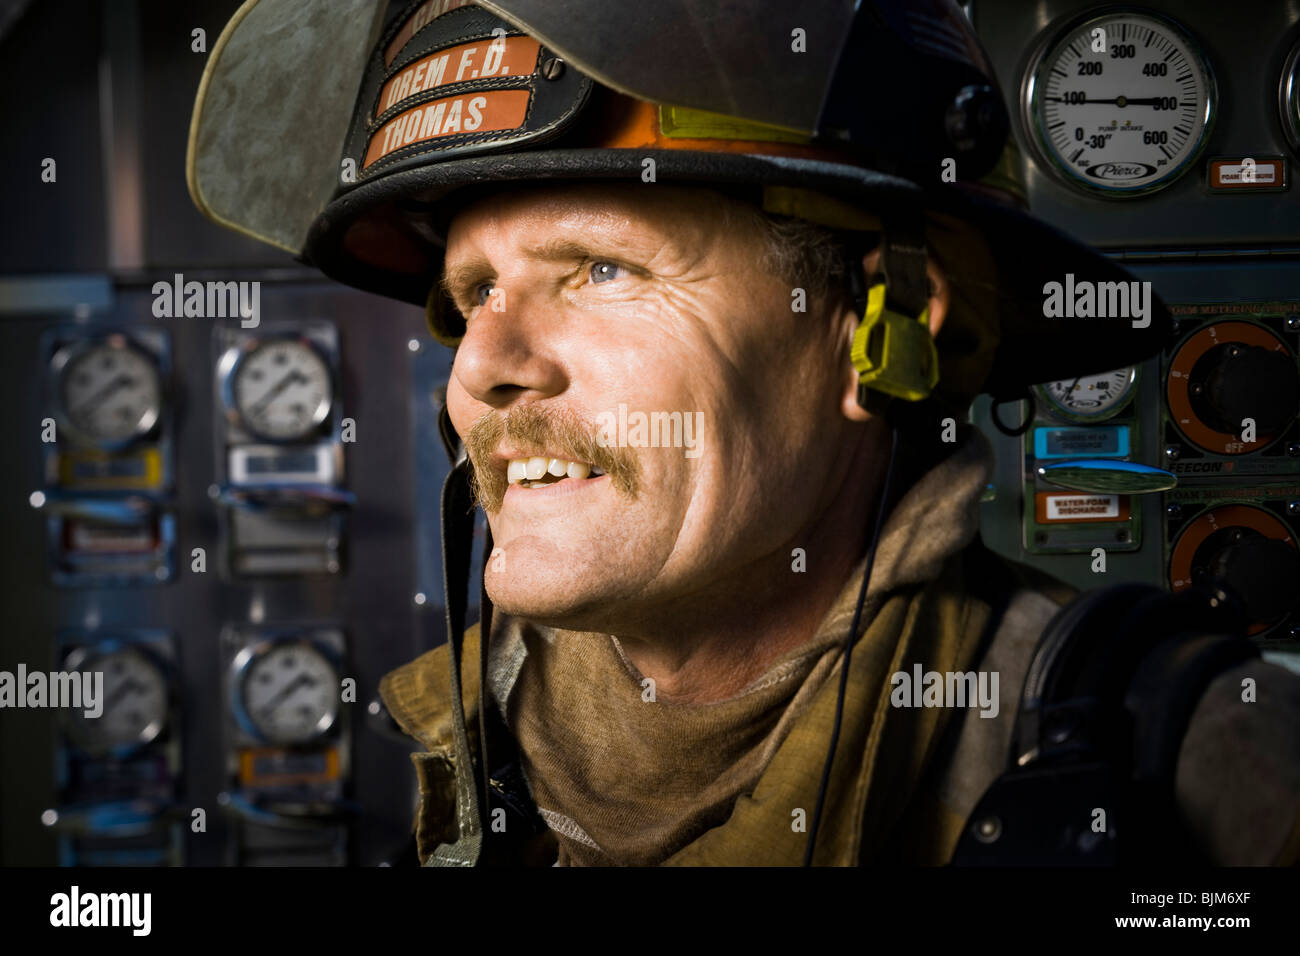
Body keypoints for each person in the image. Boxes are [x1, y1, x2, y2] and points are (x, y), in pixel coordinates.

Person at [188, 0, 1300, 866]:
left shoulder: (1197, 761)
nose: (480, 369)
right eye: (472, 294)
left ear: (886, 328)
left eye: (602, 269)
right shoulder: (456, 752)